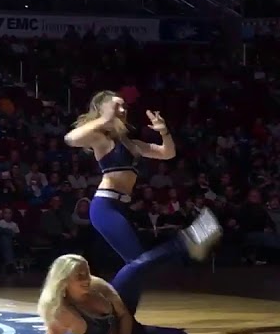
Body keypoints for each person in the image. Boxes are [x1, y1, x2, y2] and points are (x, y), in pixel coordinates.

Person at [63, 90, 221, 264]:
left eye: (124, 106)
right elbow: (70, 138)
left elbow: (168, 153)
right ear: (102, 109)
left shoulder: (132, 144)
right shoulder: (102, 139)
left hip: (122, 205)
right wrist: (103, 120)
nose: (122, 110)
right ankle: (185, 242)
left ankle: (185, 244)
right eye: (116, 106)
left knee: (138, 263)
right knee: (140, 261)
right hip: (105, 205)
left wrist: (164, 132)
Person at [38, 252, 197, 334]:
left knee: (134, 269)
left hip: (124, 315)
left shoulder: (96, 285)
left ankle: (180, 243)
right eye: (79, 276)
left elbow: (124, 315)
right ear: (64, 280)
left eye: (87, 273)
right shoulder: (62, 312)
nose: (86, 279)